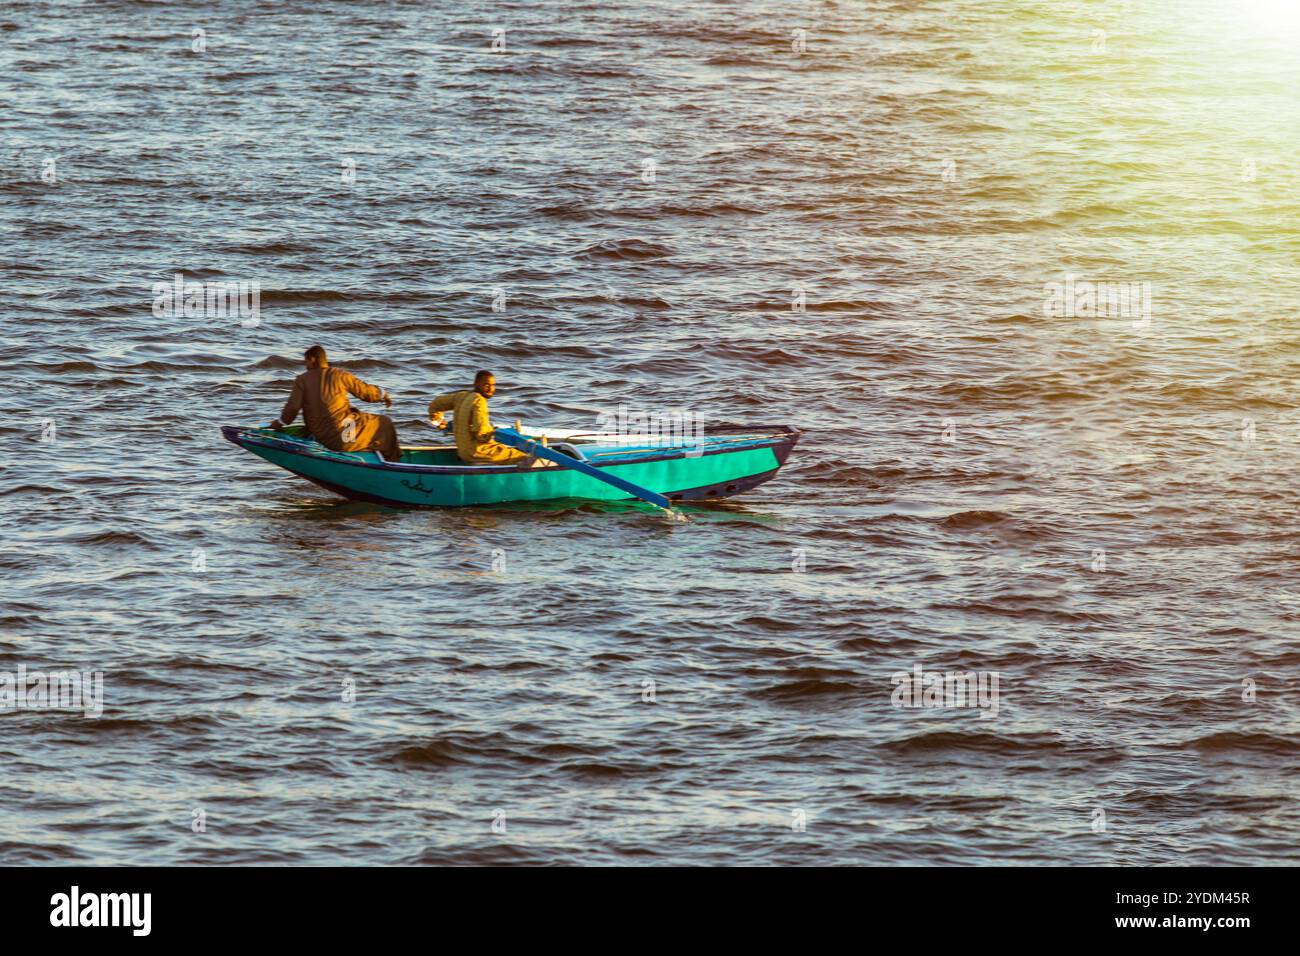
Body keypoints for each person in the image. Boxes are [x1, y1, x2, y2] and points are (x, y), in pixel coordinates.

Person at [270, 345, 401, 462]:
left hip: (323, 439)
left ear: (313, 359)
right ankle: (392, 462)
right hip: (345, 437)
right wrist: (383, 394)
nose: (305, 366)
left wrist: (279, 423)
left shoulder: (302, 380)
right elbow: (366, 393)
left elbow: (292, 409)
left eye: (306, 362)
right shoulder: (340, 375)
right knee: (385, 423)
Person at [428, 370, 528, 465]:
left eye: (493, 385)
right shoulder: (480, 401)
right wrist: (495, 432)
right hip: (477, 451)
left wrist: (439, 421)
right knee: (524, 457)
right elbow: (482, 434)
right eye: (486, 385)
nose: (490, 389)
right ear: (476, 384)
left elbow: (435, 404)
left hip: (463, 451)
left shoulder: (461, 396)